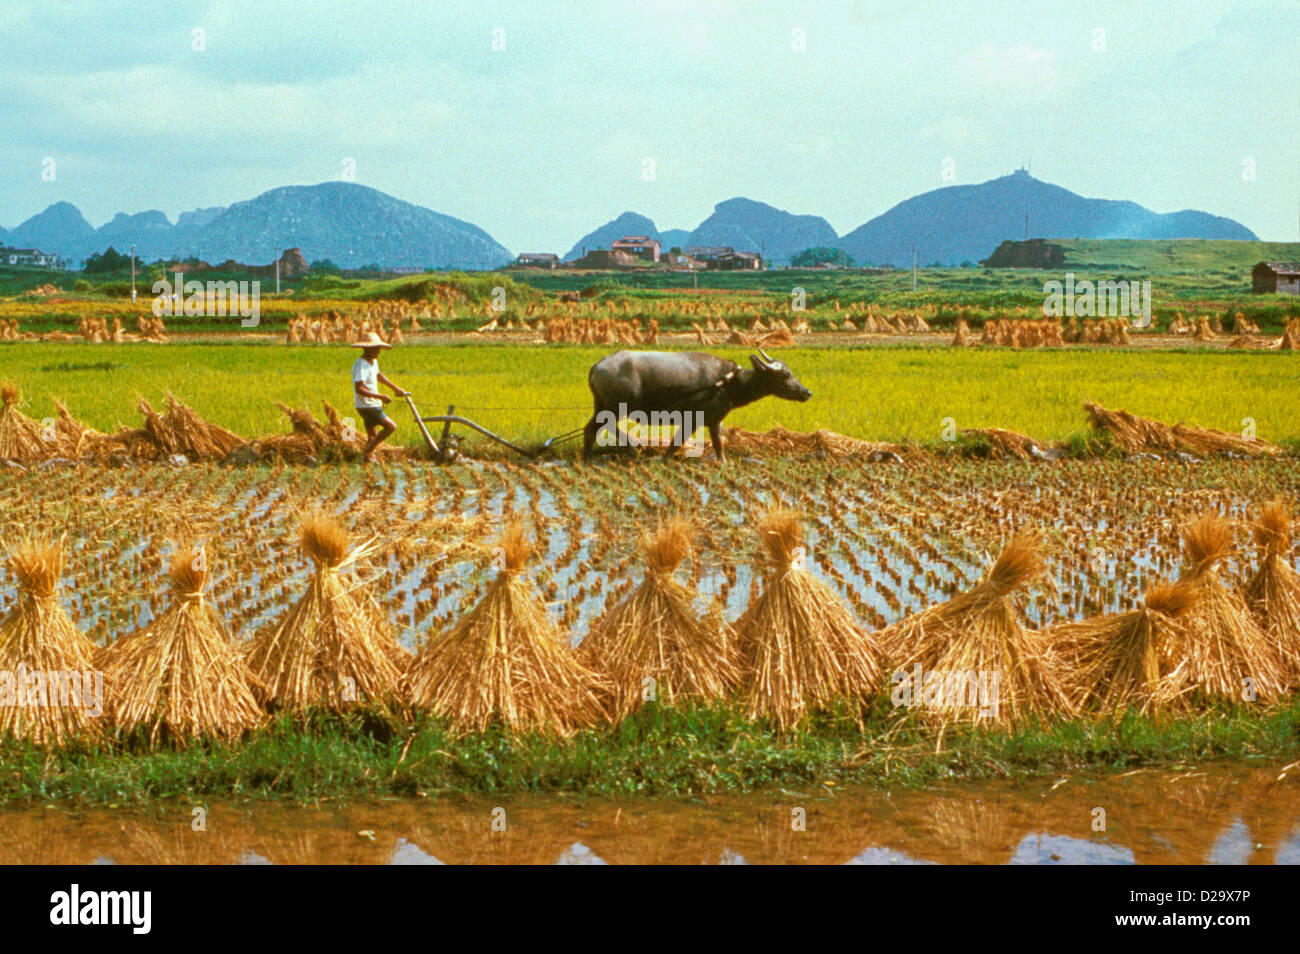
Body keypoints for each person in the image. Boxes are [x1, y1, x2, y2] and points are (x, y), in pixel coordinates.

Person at [350, 332, 409, 462]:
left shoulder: (373, 361)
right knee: (390, 426)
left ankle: (368, 460)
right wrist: (381, 396)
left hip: (370, 404)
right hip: (368, 405)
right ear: (367, 348)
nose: (378, 351)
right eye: (375, 348)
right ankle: (368, 452)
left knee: (372, 437)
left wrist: (396, 389)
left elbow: (379, 376)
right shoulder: (361, 364)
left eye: (378, 348)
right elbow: (359, 388)